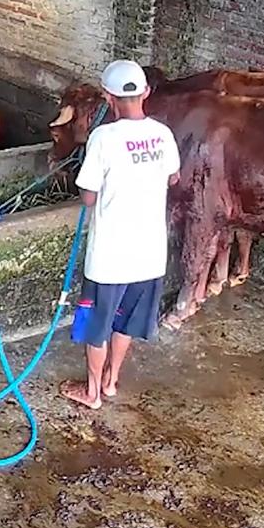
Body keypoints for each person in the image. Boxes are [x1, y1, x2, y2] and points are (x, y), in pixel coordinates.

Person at [59, 59, 180, 410]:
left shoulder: (103, 137)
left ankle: (92, 392)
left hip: (110, 256)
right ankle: (112, 381)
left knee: (98, 325)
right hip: (150, 253)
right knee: (125, 322)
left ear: (109, 99)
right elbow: (173, 177)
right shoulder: (163, 133)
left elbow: (88, 196)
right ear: (146, 93)